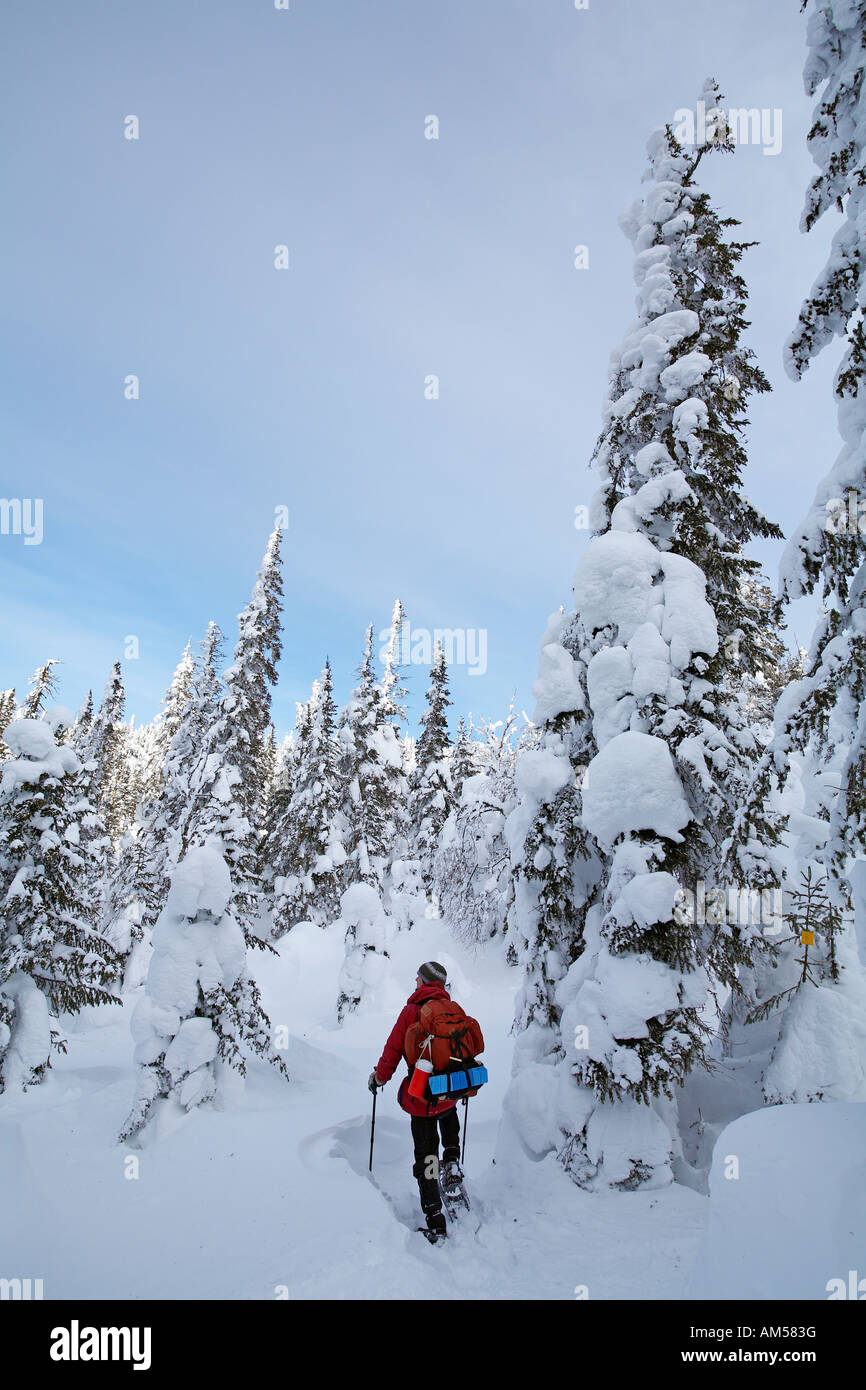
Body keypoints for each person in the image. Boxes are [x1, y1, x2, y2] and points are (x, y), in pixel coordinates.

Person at [368, 960, 461, 1237]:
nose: (415, 983)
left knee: (426, 1156)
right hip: (449, 1093)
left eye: (417, 979)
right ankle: (453, 1160)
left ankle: (435, 1218)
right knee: (447, 1126)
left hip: (423, 1098)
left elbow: (393, 1050)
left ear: (422, 981)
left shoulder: (411, 1011)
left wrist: (379, 1078)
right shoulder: (453, 1008)